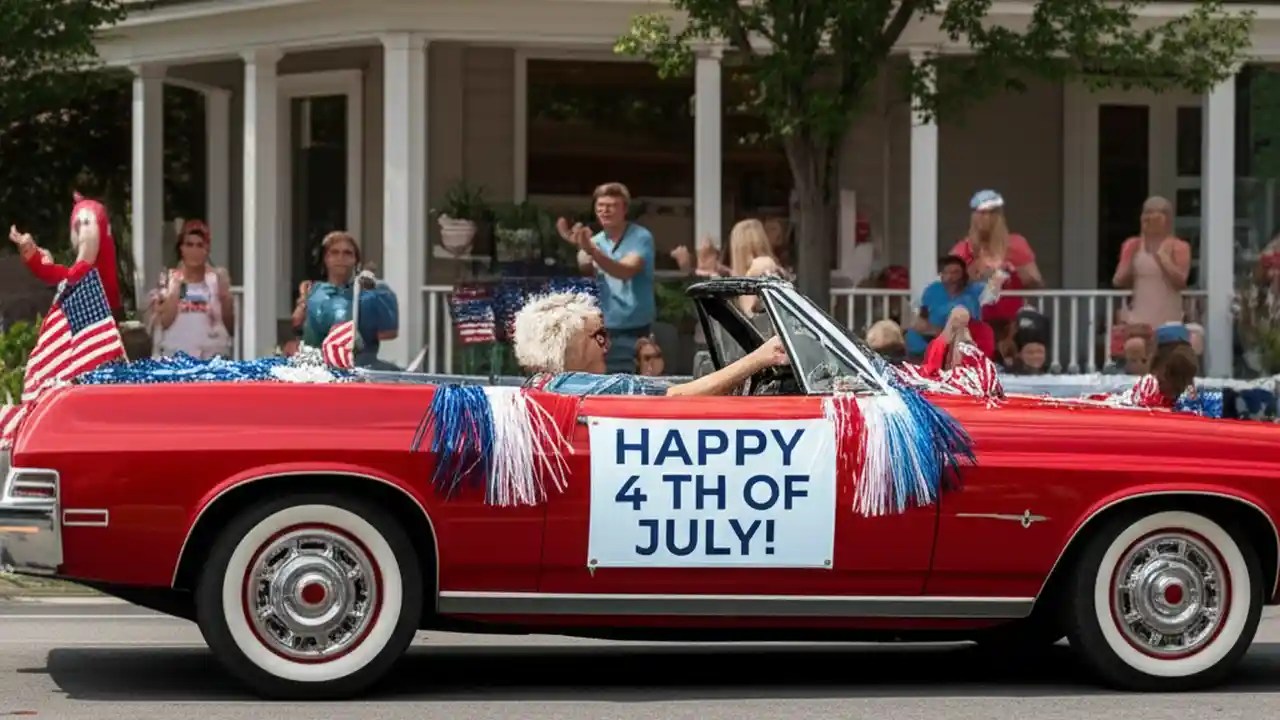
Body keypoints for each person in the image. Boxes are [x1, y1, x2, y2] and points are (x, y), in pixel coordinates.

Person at [513, 291, 788, 397]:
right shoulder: (577, 388)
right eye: (599, 336)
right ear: (567, 345)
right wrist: (761, 358)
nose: (606, 346)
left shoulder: (543, 387)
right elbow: (676, 398)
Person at [556, 182, 656, 373]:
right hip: (604, 329)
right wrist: (579, 248)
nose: (605, 211)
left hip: (636, 330)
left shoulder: (641, 237)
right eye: (600, 206)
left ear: (625, 209)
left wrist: (593, 252)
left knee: (634, 387)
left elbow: (625, 271)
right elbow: (586, 270)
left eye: (611, 206)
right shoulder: (595, 241)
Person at [292, 231, 400, 368]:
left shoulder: (372, 293)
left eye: (347, 253)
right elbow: (296, 325)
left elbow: (389, 333)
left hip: (358, 367)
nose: (340, 258)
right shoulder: (312, 290)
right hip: (314, 368)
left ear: (356, 259)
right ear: (326, 258)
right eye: (334, 253)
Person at [9, 192, 123, 319]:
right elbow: (77, 275)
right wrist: (37, 260)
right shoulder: (96, 211)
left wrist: (37, 262)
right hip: (103, 314)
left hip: (96, 320)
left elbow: (80, 274)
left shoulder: (86, 211)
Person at [147, 219, 235, 359]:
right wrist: (174, 291)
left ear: (207, 249)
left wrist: (225, 297)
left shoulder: (216, 281)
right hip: (176, 360)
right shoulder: (170, 280)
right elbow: (164, 323)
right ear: (181, 248)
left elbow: (231, 328)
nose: (194, 250)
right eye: (189, 245)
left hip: (211, 362)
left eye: (200, 245)